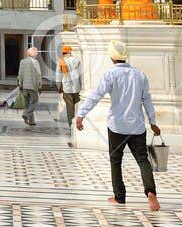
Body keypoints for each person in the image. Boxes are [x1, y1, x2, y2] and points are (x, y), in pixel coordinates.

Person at [75, 39, 162, 211]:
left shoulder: (110, 75)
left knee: (116, 160)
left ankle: (119, 196)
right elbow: (147, 100)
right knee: (143, 160)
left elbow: (96, 95)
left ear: (112, 57)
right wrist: (153, 122)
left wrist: (81, 114)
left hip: (117, 126)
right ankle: (151, 192)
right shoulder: (140, 75)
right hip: (137, 126)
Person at [16, 46, 42, 128]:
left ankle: (31, 121)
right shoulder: (35, 62)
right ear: (34, 54)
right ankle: (25, 114)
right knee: (34, 102)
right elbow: (38, 74)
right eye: (36, 53)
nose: (37, 54)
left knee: (28, 104)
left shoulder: (22, 62)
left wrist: (20, 84)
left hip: (24, 86)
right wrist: (40, 85)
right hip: (32, 86)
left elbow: (20, 74)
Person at [58, 42, 83, 126]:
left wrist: (58, 86)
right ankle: (78, 121)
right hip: (77, 86)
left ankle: (71, 124)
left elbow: (59, 74)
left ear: (63, 53)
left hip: (66, 87)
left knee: (69, 107)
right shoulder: (77, 60)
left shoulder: (61, 61)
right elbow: (81, 74)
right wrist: (81, 85)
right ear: (70, 52)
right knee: (77, 104)